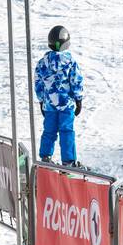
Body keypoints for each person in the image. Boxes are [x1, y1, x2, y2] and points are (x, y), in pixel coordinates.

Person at [35, 25, 84, 166]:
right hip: (66, 105)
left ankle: (45, 157)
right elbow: (76, 81)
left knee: (49, 130)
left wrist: (41, 101)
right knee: (66, 131)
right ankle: (68, 161)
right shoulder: (70, 62)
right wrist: (78, 99)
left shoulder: (42, 63)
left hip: (49, 105)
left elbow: (38, 83)